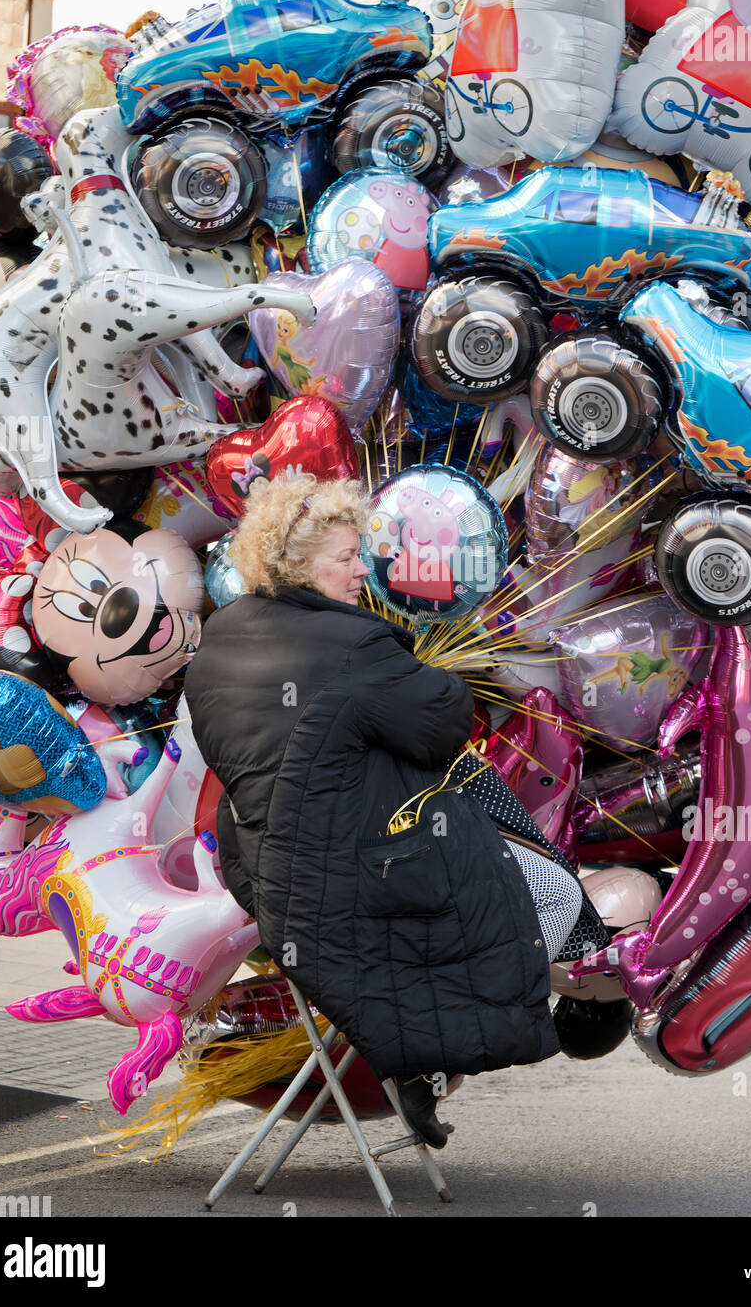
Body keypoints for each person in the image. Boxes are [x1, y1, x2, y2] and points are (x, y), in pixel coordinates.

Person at [185, 472, 603, 1148]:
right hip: (356, 881)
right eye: (347, 557)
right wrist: (432, 671)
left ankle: (428, 1039)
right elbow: (441, 721)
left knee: (472, 829)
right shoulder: (351, 645)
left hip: (266, 882)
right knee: (552, 892)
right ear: (297, 562)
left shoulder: (221, 639)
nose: (360, 572)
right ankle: (436, 1046)